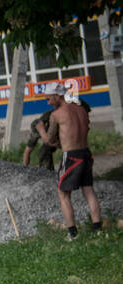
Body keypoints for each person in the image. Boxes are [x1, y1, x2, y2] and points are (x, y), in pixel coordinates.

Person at [44, 83, 102, 238]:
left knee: (63, 194)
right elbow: (84, 129)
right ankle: (98, 230)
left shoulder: (56, 115)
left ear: (57, 96)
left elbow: (49, 139)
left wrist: (41, 130)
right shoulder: (82, 110)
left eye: (49, 99)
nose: (48, 103)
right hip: (86, 153)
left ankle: (72, 233)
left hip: (71, 156)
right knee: (89, 191)